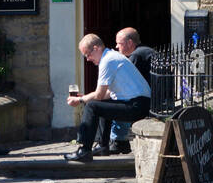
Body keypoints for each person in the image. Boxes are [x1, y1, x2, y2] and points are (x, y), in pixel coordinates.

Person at [65, 33, 151, 162]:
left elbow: (99, 94)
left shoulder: (108, 60)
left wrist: (81, 100)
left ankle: (84, 150)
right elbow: (107, 94)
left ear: (96, 48)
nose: (87, 59)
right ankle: (102, 146)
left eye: (87, 54)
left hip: (137, 105)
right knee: (99, 103)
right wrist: (85, 97)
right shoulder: (111, 57)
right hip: (140, 103)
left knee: (92, 106)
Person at [96, 27, 156, 155]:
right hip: (154, 96)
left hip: (146, 101)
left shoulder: (136, 55)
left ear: (130, 43)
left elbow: (126, 86)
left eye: (119, 43)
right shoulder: (145, 51)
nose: (116, 47)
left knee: (111, 103)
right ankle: (116, 141)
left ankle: (118, 141)